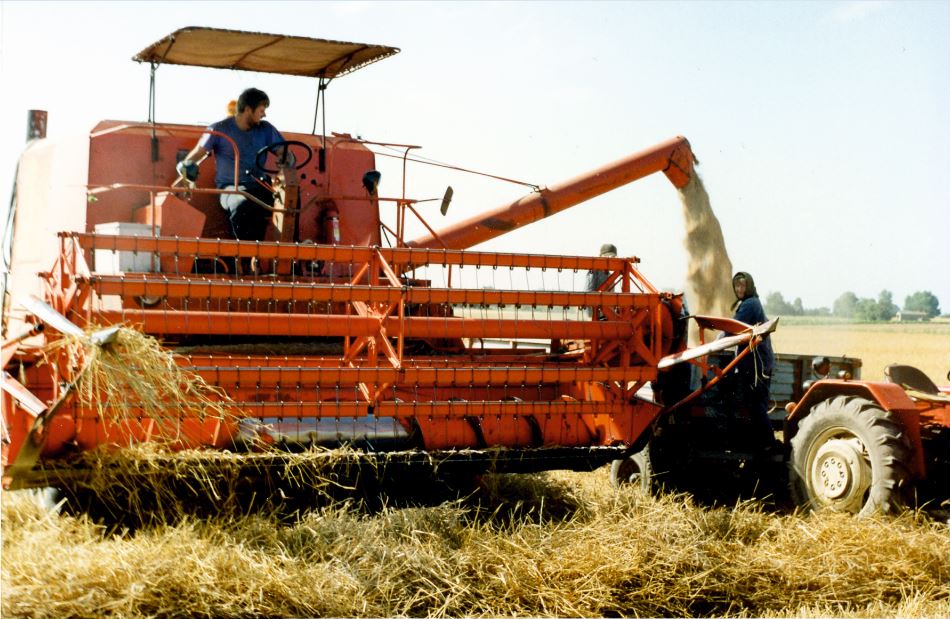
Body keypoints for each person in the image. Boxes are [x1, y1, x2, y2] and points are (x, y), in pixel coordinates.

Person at [177, 87, 285, 244]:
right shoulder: (218, 129)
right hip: (230, 188)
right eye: (261, 110)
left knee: (291, 198)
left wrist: (285, 159)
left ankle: (292, 249)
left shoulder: (266, 129)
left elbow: (284, 152)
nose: (264, 115)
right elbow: (196, 155)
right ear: (248, 109)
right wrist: (184, 172)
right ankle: (245, 257)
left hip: (260, 186)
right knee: (242, 204)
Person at [731, 271, 776, 449]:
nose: (739, 289)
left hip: (757, 365)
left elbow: (733, 329)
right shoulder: (748, 303)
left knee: (756, 406)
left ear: (749, 286)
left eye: (743, 285)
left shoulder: (750, 304)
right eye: (736, 285)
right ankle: (759, 444)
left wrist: (714, 342)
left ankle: (768, 445)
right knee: (755, 405)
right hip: (757, 363)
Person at [587, 243, 617, 318]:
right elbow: (589, 292)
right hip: (598, 315)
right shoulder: (594, 272)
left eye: (613, 257)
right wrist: (592, 314)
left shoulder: (611, 275)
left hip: (609, 315)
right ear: (600, 256)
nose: (610, 259)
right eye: (608, 256)